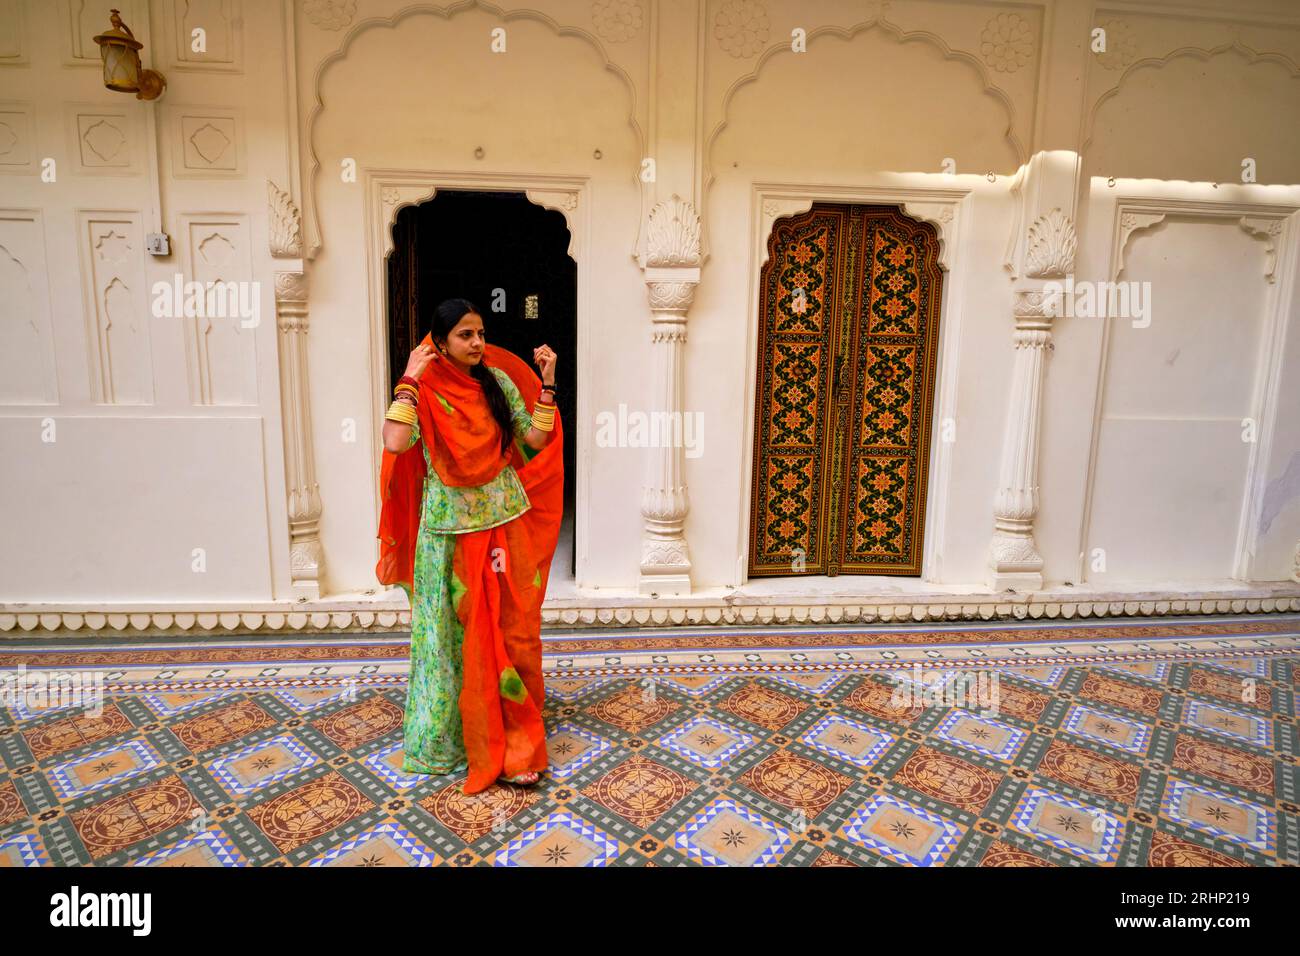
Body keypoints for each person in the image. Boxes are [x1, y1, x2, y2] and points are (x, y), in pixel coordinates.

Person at [375, 297, 563, 794]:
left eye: (480, 332)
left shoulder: (497, 384)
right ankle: (453, 738)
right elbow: (395, 442)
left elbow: (534, 440)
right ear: (439, 343)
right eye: (465, 334)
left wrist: (547, 383)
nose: (478, 342)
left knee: (507, 629)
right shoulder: (426, 392)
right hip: (449, 536)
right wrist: (410, 377)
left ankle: (511, 733)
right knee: (450, 641)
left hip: (504, 526)